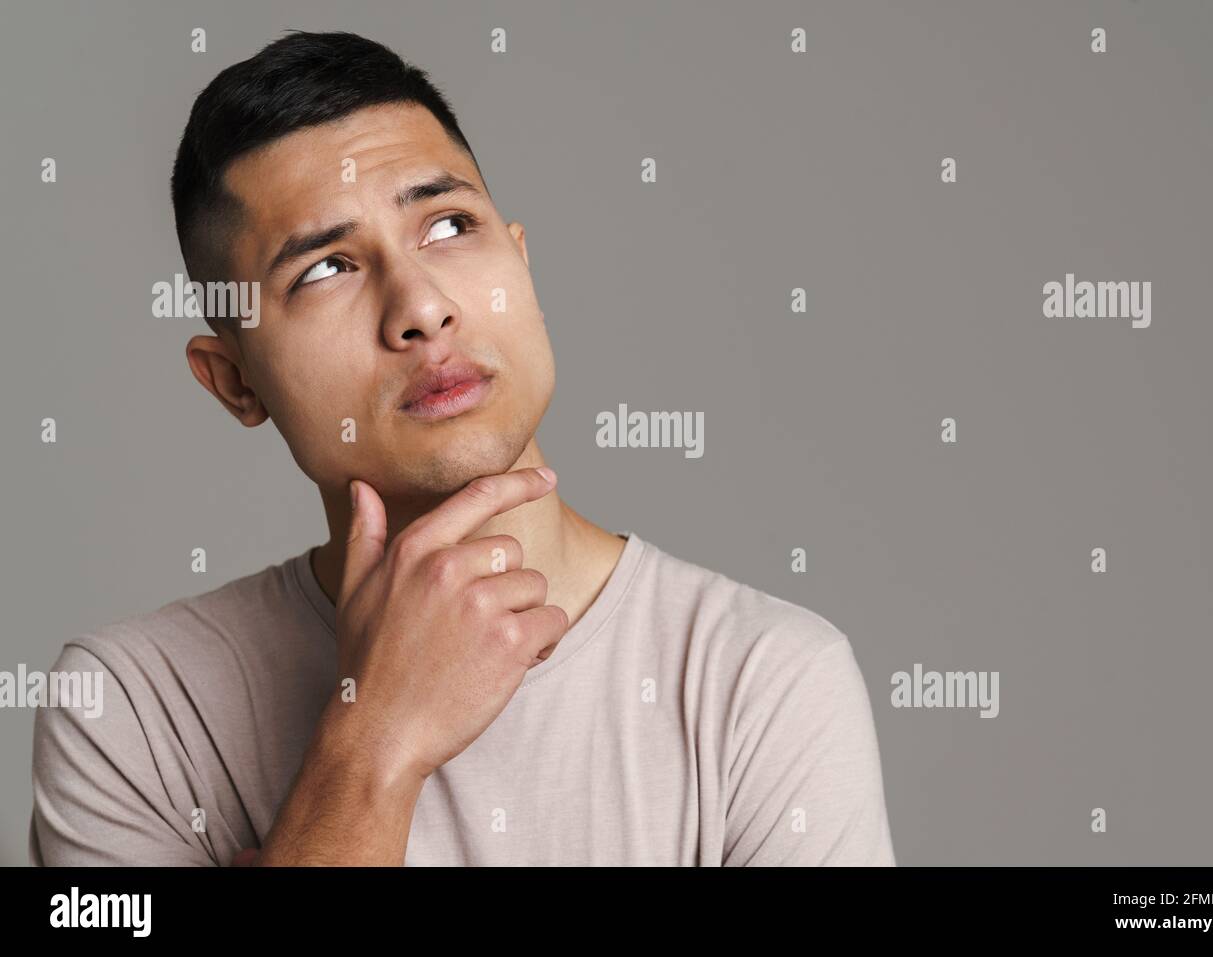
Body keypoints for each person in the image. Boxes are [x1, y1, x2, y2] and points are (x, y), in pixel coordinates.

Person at [29, 30, 894, 866]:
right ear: (234, 381)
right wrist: (372, 744)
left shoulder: (763, 681)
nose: (421, 306)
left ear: (523, 268)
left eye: (447, 226)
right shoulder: (129, 709)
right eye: (325, 268)